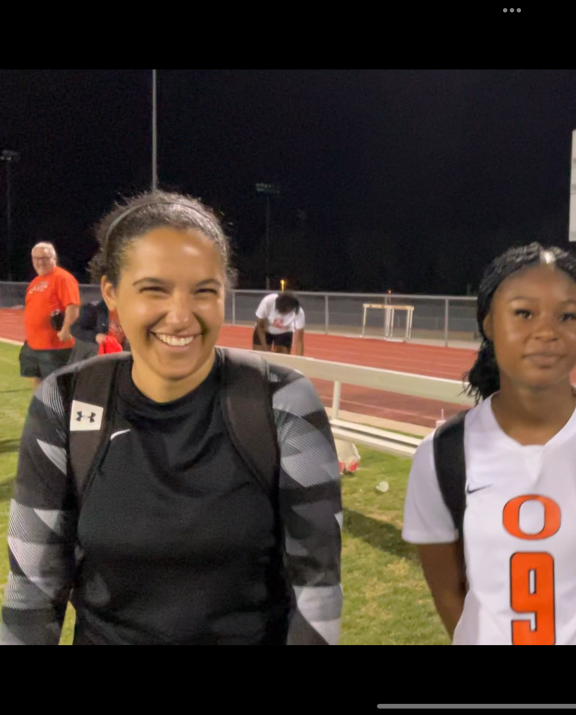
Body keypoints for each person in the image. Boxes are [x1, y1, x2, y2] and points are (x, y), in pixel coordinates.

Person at [0, 190, 342, 646]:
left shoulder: (284, 401)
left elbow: (317, 588)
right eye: (154, 289)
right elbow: (32, 592)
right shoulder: (65, 401)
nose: (181, 317)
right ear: (111, 293)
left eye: (204, 291)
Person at [401, 243, 576, 645]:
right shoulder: (442, 454)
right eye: (523, 313)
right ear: (488, 323)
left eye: (568, 316)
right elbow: (449, 593)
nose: (547, 332)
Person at [20, 241, 80, 386]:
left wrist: (66, 329)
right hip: (35, 344)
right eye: (36, 258)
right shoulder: (34, 282)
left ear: (54, 258)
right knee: (39, 383)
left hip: (56, 346)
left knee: (56, 388)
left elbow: (73, 305)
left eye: (45, 258)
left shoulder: (62, 278)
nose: (40, 262)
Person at [253, 292, 305, 356]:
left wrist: (299, 360)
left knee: (283, 359)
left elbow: (299, 340)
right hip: (265, 329)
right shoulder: (267, 302)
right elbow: (260, 326)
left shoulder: (299, 312)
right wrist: (265, 349)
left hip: (284, 332)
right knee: (260, 356)